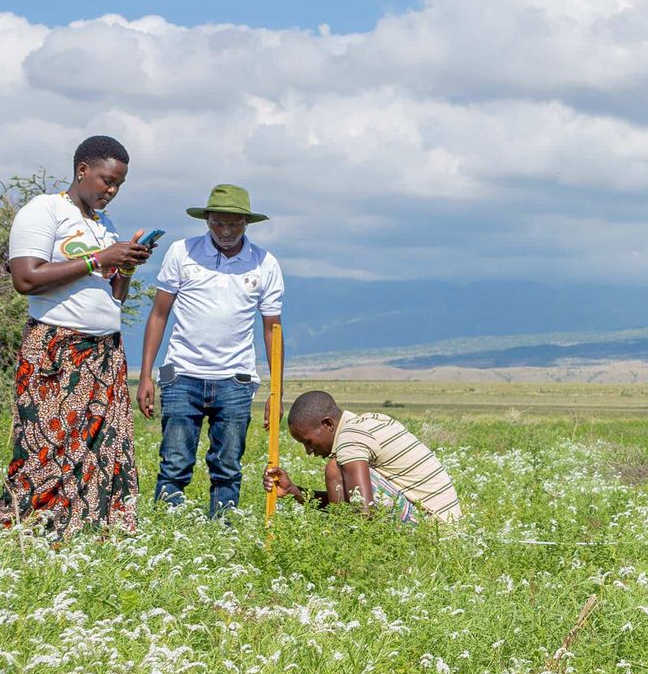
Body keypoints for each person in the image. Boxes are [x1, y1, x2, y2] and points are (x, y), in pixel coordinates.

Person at [0, 134, 158, 541]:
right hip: (57, 349)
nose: (112, 190)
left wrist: (126, 264)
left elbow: (113, 294)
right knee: (46, 443)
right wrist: (98, 258)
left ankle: (89, 534)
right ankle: (26, 531)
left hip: (104, 352)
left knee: (103, 447)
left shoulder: (105, 227)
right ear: (82, 170)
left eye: (119, 184)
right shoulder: (44, 210)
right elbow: (26, 278)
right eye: (106, 180)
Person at [137, 184, 285, 517]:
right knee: (174, 464)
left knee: (228, 467)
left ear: (247, 223)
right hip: (181, 376)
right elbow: (159, 314)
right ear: (207, 220)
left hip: (236, 380)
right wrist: (145, 375)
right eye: (219, 223)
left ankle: (223, 535)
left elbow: (272, 329)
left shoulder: (264, 263)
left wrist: (276, 392)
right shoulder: (181, 252)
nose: (227, 231)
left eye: (235, 224)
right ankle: (166, 530)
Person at [262, 390, 463, 525]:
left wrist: (347, 551)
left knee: (334, 467)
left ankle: (345, 553)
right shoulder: (365, 423)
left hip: (434, 528)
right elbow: (349, 500)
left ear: (328, 424)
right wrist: (293, 491)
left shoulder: (350, 438)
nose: (309, 451)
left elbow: (363, 510)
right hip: (444, 525)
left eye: (308, 441)